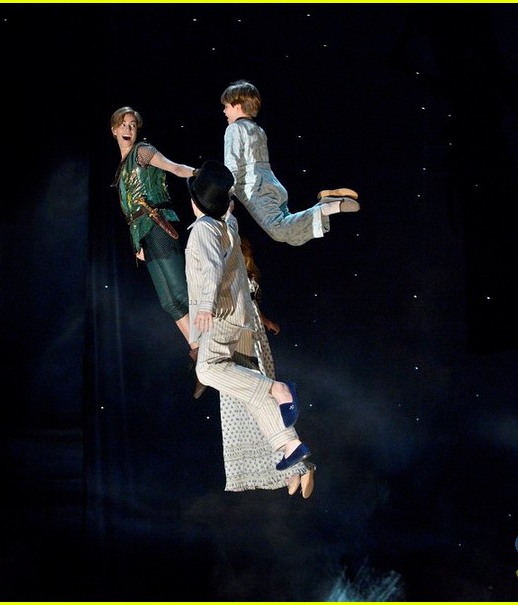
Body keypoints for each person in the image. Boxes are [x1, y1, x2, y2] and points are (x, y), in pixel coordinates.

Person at [185, 160, 312, 474]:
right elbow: (228, 214)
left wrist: (205, 306)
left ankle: (279, 389)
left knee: (208, 370)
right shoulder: (228, 225)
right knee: (248, 384)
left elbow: (212, 269)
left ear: (195, 204)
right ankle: (288, 443)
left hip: (221, 316)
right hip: (242, 318)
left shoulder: (203, 230)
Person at [110, 106, 204, 393]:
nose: (128, 129)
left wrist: (198, 173)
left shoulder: (142, 151)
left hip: (158, 223)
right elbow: (129, 208)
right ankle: (198, 351)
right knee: (168, 302)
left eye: (132, 124)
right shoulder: (120, 168)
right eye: (123, 124)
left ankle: (212, 345)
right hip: (142, 233)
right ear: (114, 130)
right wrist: (135, 243)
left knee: (181, 292)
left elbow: (173, 167)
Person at [217, 236, 316, 497]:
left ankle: (298, 466)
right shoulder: (236, 274)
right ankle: (291, 470)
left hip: (240, 339)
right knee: (251, 407)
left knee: (255, 398)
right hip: (243, 335)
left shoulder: (233, 274)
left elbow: (244, 305)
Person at [221, 79, 361, 246]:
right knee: (292, 234)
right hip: (272, 185)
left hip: (255, 189)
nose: (224, 111)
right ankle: (326, 206)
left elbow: (232, 164)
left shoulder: (234, 129)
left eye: (226, 106)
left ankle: (324, 207)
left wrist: (224, 192)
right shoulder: (258, 130)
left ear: (237, 107)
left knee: (278, 230)